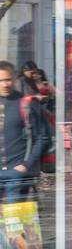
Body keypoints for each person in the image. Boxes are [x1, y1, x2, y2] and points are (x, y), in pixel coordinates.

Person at [0, 61, 51, 203]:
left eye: (8, 80)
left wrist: (26, 164)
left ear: (15, 78)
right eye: (1, 81)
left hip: (17, 172)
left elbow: (43, 137)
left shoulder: (26, 103)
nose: (5, 84)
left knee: (15, 221)